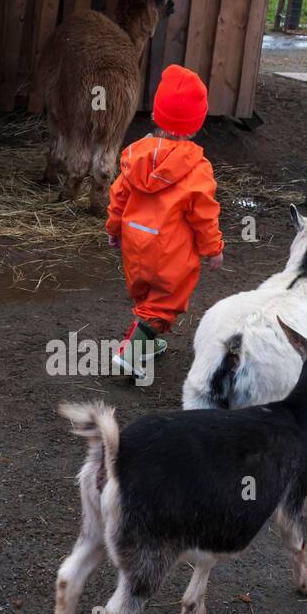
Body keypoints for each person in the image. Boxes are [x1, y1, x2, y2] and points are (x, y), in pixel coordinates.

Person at [106, 65, 224, 379]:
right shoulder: (197, 168)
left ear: (157, 116)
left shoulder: (135, 155)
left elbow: (118, 194)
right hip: (170, 250)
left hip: (135, 243)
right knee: (165, 301)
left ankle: (147, 343)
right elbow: (204, 214)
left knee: (147, 295)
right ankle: (129, 355)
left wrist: (114, 228)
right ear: (196, 124)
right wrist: (213, 249)